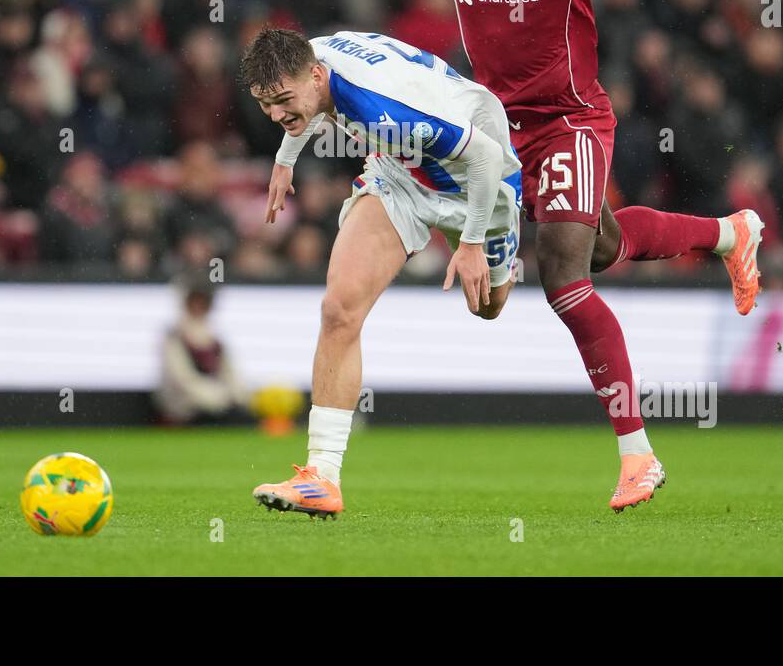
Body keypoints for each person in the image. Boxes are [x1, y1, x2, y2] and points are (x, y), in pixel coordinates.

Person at [287, 0, 762, 510]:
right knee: (606, 243)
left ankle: (637, 454)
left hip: (571, 120)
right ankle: (727, 234)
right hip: (497, 133)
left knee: (564, 274)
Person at [243, 27, 522, 518]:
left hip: (477, 183)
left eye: (283, 101)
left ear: (314, 75)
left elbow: (485, 156)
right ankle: (321, 477)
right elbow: (302, 108)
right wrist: (286, 158)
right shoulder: (312, 59)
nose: (276, 114)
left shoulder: (382, 106)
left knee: (489, 307)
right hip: (399, 174)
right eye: (266, 105)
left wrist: (473, 243)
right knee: (338, 310)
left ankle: (592, 225)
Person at [156, 273, 252, 425]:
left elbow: (229, 372)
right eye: (195, 302)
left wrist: (239, 396)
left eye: (202, 303)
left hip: (216, 403)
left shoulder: (214, 338)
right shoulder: (175, 336)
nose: (198, 307)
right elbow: (181, 378)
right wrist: (212, 396)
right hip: (184, 407)